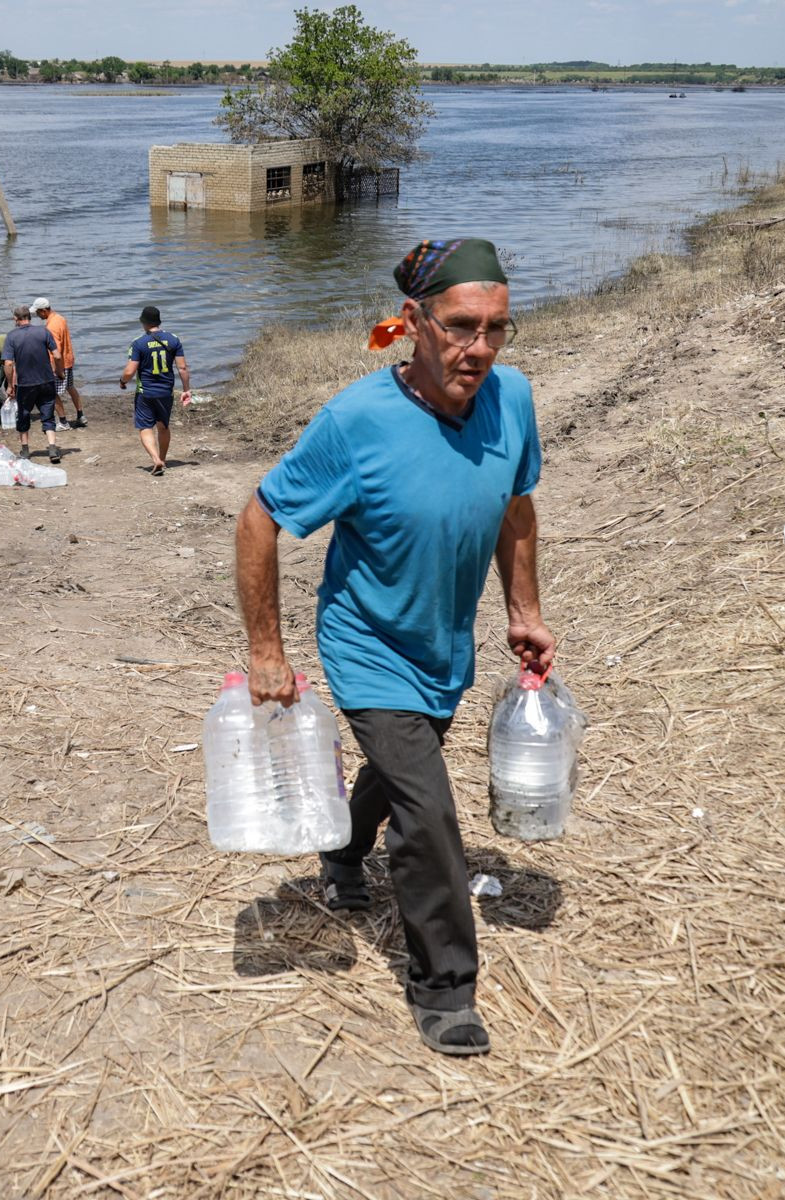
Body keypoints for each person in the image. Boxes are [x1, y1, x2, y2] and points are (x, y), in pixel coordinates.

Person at [233, 238, 552, 1058]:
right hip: (366, 644)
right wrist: (266, 651)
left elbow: (516, 508)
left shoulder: (511, 400)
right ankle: (444, 986)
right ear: (413, 323)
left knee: (398, 777)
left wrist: (525, 609)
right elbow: (260, 518)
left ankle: (341, 848)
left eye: (496, 329)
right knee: (428, 808)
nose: (478, 349)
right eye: (459, 327)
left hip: (444, 646)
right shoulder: (357, 422)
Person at [120, 305, 190, 477]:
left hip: (146, 392)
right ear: (159, 321)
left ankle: (155, 458)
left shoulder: (138, 343)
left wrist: (122, 382)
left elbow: (130, 371)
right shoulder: (174, 339)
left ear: (143, 322)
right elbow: (182, 368)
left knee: (145, 427)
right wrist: (186, 390)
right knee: (163, 426)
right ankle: (163, 459)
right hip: (166, 391)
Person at [1, 305, 62, 464]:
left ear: (16, 319)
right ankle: (53, 447)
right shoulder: (43, 331)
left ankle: (26, 450)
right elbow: (57, 354)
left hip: (25, 384)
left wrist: (9, 385)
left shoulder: (12, 336)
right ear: (30, 317)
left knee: (24, 415)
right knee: (47, 414)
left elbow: (8, 364)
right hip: (47, 380)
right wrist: (59, 372)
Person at [32, 298, 85, 428]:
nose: (37, 316)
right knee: (70, 387)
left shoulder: (52, 326)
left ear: (44, 311)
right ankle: (81, 416)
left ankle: (62, 422)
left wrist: (57, 370)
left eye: (38, 312)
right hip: (68, 360)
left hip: (59, 364)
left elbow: (56, 351)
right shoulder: (60, 318)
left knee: (52, 393)